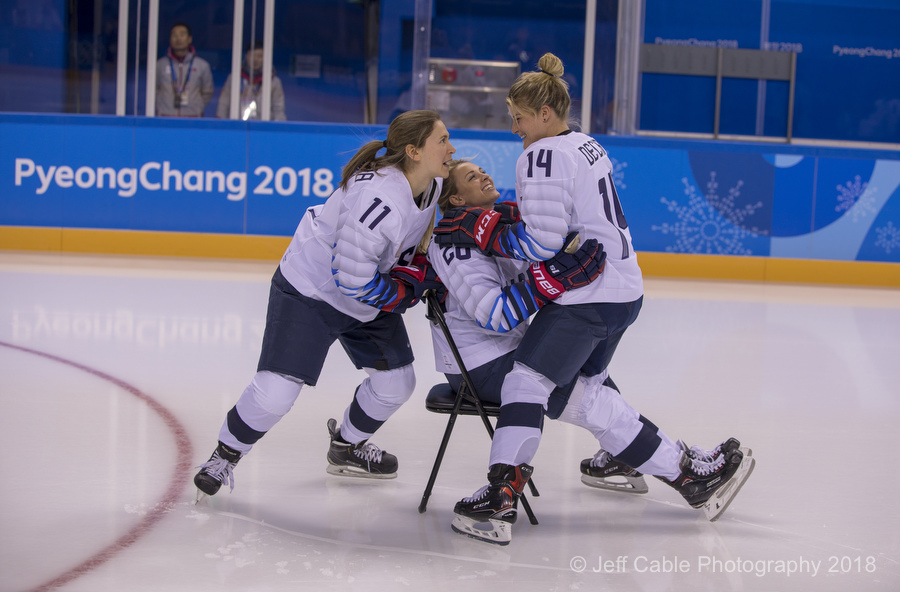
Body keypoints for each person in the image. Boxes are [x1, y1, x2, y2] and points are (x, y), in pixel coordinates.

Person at [432, 55, 755, 544]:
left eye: (518, 115)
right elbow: (552, 243)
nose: (513, 126)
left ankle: (501, 498)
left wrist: (494, 233)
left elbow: (541, 244)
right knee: (592, 389)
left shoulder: (538, 156)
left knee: (528, 385)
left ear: (543, 112)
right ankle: (661, 466)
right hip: (624, 290)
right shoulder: (585, 144)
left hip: (587, 296)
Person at [193, 110, 455, 500]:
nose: (452, 148)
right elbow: (350, 277)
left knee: (397, 383)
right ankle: (225, 454)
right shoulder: (379, 198)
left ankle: (346, 447)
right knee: (276, 393)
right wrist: (401, 295)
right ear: (414, 152)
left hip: (366, 291)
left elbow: (411, 242)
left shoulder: (430, 185)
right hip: (311, 291)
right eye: (443, 140)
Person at [216, 40, 287, 121]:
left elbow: (278, 108)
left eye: (260, 56)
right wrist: (220, 123)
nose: (255, 59)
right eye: (252, 55)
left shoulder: (274, 82)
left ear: (266, 58)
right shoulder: (234, 78)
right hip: (237, 125)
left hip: (263, 127)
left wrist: (278, 129)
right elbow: (224, 102)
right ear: (246, 56)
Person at [155, 22, 214, 117]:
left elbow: (207, 92)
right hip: (165, 116)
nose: (178, 39)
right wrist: (161, 105)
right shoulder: (160, 65)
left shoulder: (202, 65)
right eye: (174, 35)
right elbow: (154, 90)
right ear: (170, 39)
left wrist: (197, 106)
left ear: (189, 39)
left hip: (193, 117)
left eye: (182, 35)